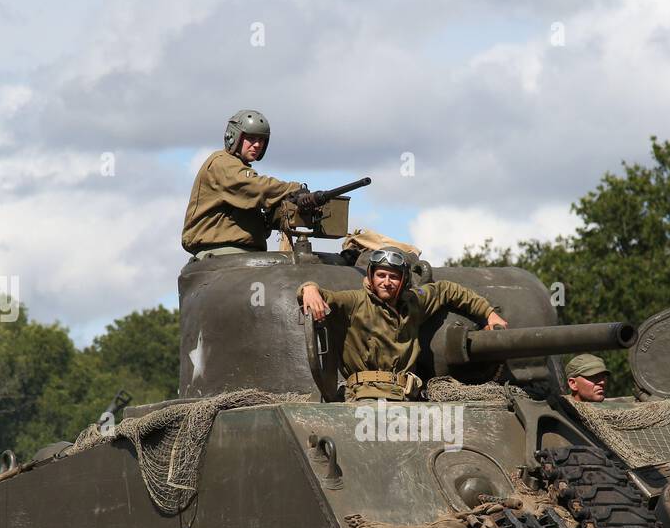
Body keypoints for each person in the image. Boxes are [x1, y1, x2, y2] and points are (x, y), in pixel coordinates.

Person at [298, 247, 508, 401]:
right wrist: (308, 288)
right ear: (371, 277)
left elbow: (447, 290)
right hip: (365, 397)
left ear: (404, 280)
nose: (386, 282)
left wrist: (488, 313)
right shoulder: (355, 301)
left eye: (393, 277)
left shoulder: (414, 301)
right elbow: (320, 294)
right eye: (380, 275)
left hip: (406, 396)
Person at [181, 110, 310, 258]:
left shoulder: (238, 168)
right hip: (223, 255)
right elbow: (256, 188)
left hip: (245, 255)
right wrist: (294, 189)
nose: (257, 145)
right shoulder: (222, 163)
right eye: (251, 138)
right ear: (234, 137)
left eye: (261, 140)